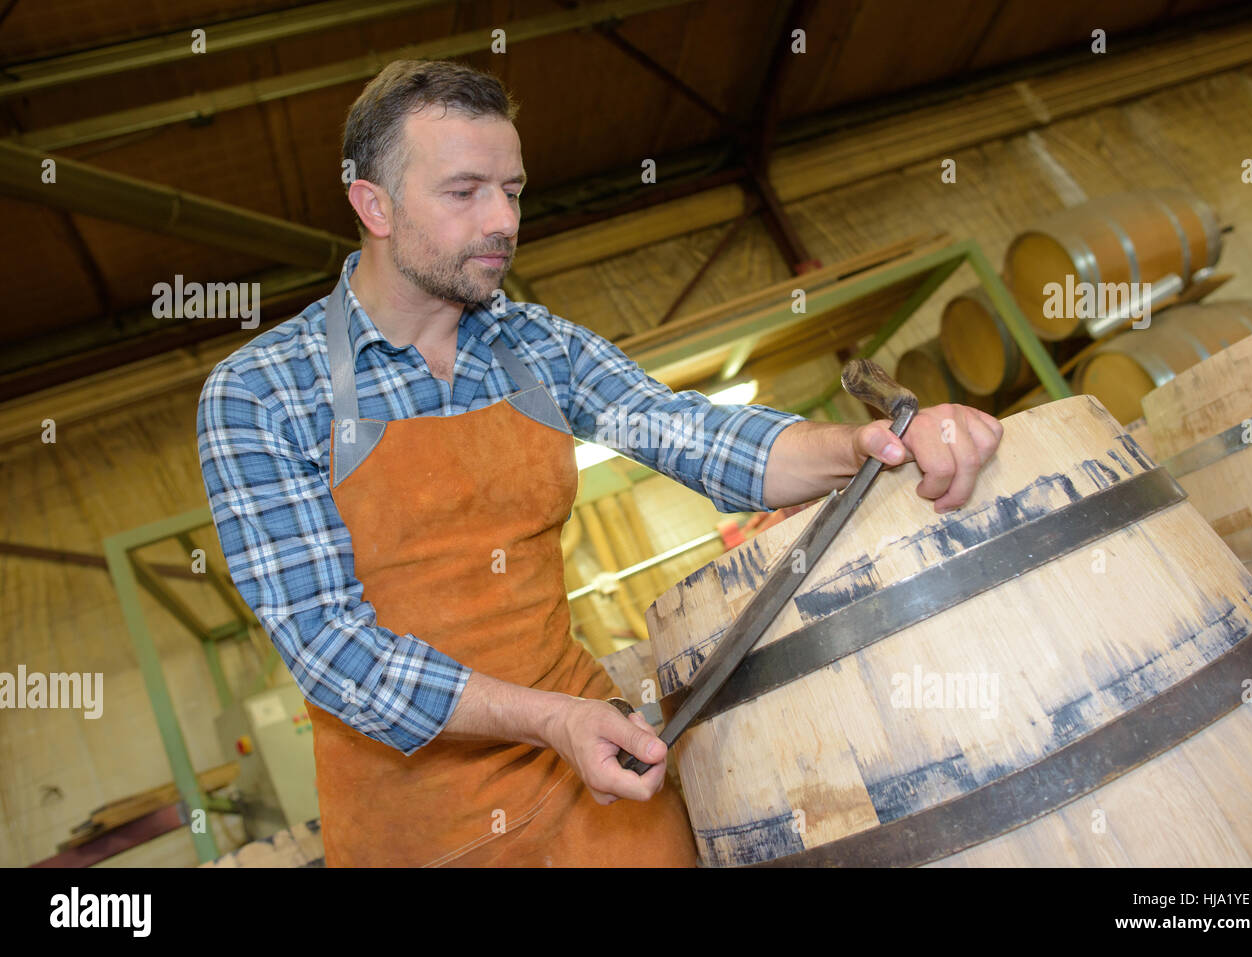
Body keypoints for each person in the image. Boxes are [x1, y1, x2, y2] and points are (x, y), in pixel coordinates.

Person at [197, 58, 1003, 867]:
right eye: (464, 192)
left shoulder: (536, 344)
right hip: (422, 830)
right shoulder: (261, 393)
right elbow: (332, 647)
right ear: (372, 204)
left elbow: (691, 433)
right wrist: (550, 719)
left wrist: (859, 446)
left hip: (600, 782)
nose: (502, 221)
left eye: (511, 190)